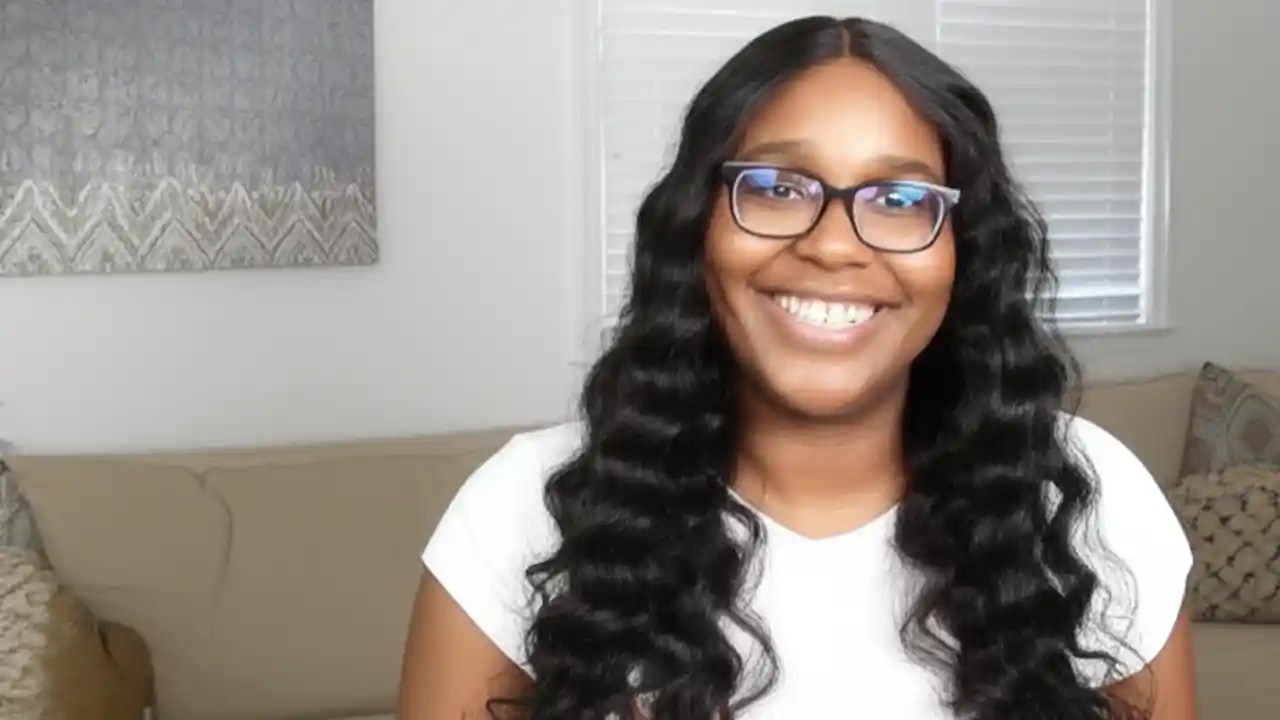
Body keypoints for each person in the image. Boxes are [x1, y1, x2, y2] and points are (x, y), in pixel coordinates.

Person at [398, 15, 1196, 720]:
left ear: (964, 254)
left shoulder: (1094, 505)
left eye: (899, 199)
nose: (834, 243)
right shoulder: (518, 512)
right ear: (698, 227)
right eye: (778, 186)